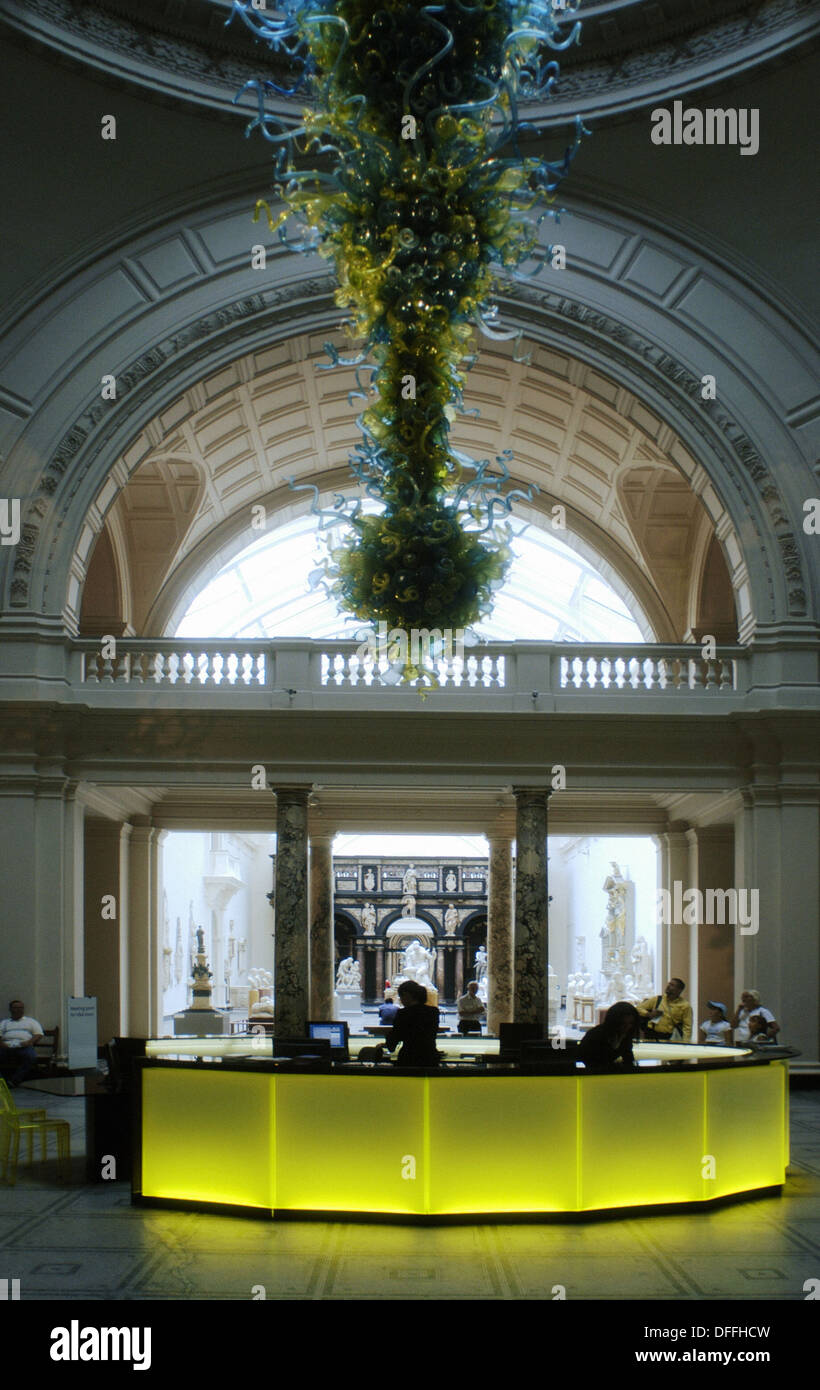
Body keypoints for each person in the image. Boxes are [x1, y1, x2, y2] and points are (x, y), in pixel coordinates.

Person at [386, 980, 440, 1067]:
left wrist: (389, 1042)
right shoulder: (433, 1012)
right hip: (429, 1057)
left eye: (401, 997)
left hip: (409, 1057)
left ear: (407, 995)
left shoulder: (403, 1013)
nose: (401, 1000)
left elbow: (395, 1036)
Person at [578, 1002, 640, 1071]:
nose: (627, 1027)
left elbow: (628, 1057)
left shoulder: (625, 1036)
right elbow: (594, 1061)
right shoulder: (596, 1035)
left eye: (631, 1023)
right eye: (622, 1023)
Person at [0, 1000, 44, 1087]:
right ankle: (2, 1082)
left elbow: (38, 1034)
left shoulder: (31, 1021)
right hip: (6, 1046)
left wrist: (29, 1042)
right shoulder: (4, 1023)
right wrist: (1, 1044)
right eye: (15, 1008)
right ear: (10, 1009)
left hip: (24, 1046)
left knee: (31, 1057)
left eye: (20, 1008)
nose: (18, 1010)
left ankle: (14, 1081)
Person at [636, 978, 693, 1043]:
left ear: (679, 990)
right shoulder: (658, 999)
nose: (668, 986)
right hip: (650, 1034)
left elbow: (687, 1027)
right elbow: (638, 1008)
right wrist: (648, 1014)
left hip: (668, 1037)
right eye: (669, 984)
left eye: (672, 985)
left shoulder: (685, 1006)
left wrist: (685, 1043)